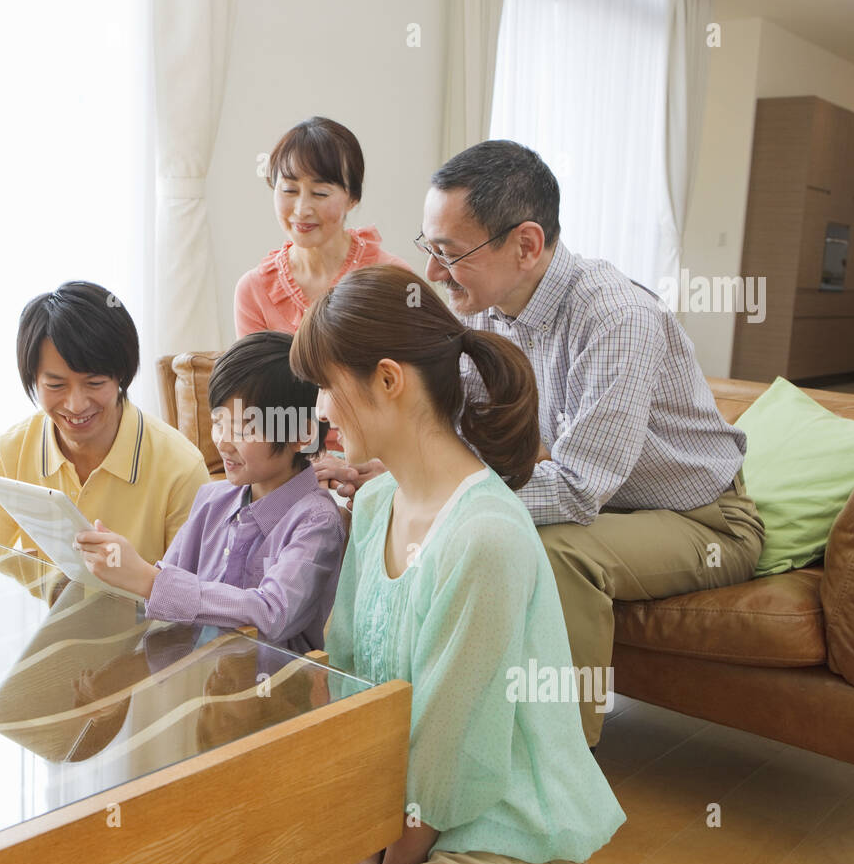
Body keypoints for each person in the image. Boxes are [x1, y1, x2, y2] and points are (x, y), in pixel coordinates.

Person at [315, 141, 765, 748]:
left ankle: (558, 761)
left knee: (553, 551)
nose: (434, 273)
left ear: (526, 245)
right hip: (607, 504)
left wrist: (441, 494)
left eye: (449, 253)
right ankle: (409, 725)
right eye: (429, 248)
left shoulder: (617, 317)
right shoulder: (478, 307)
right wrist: (391, 474)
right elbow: (452, 437)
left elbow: (575, 489)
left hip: (701, 518)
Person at [293, 265, 624, 864]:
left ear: (387, 379)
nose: (320, 410)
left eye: (327, 387)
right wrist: (356, 840)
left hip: (504, 833)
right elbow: (349, 679)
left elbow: (449, 753)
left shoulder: (484, 537)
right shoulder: (375, 504)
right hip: (394, 821)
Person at [75, 332, 345, 655]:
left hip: (275, 683)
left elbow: (272, 613)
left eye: (244, 428)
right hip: (194, 674)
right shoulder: (211, 500)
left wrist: (149, 580)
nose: (223, 441)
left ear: (302, 434)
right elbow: (164, 591)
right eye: (218, 421)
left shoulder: (317, 521)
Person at [0, 282, 210, 596]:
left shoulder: (181, 468)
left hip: (147, 628)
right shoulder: (9, 454)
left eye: (95, 383)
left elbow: (195, 597)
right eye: (56, 385)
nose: (76, 405)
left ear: (121, 375)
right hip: (50, 624)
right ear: (33, 380)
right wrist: (53, 587)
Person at [235, 116, 413, 338]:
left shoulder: (394, 278)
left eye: (320, 193)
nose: (302, 210)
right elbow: (252, 362)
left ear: (352, 198)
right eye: (289, 190)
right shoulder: (254, 289)